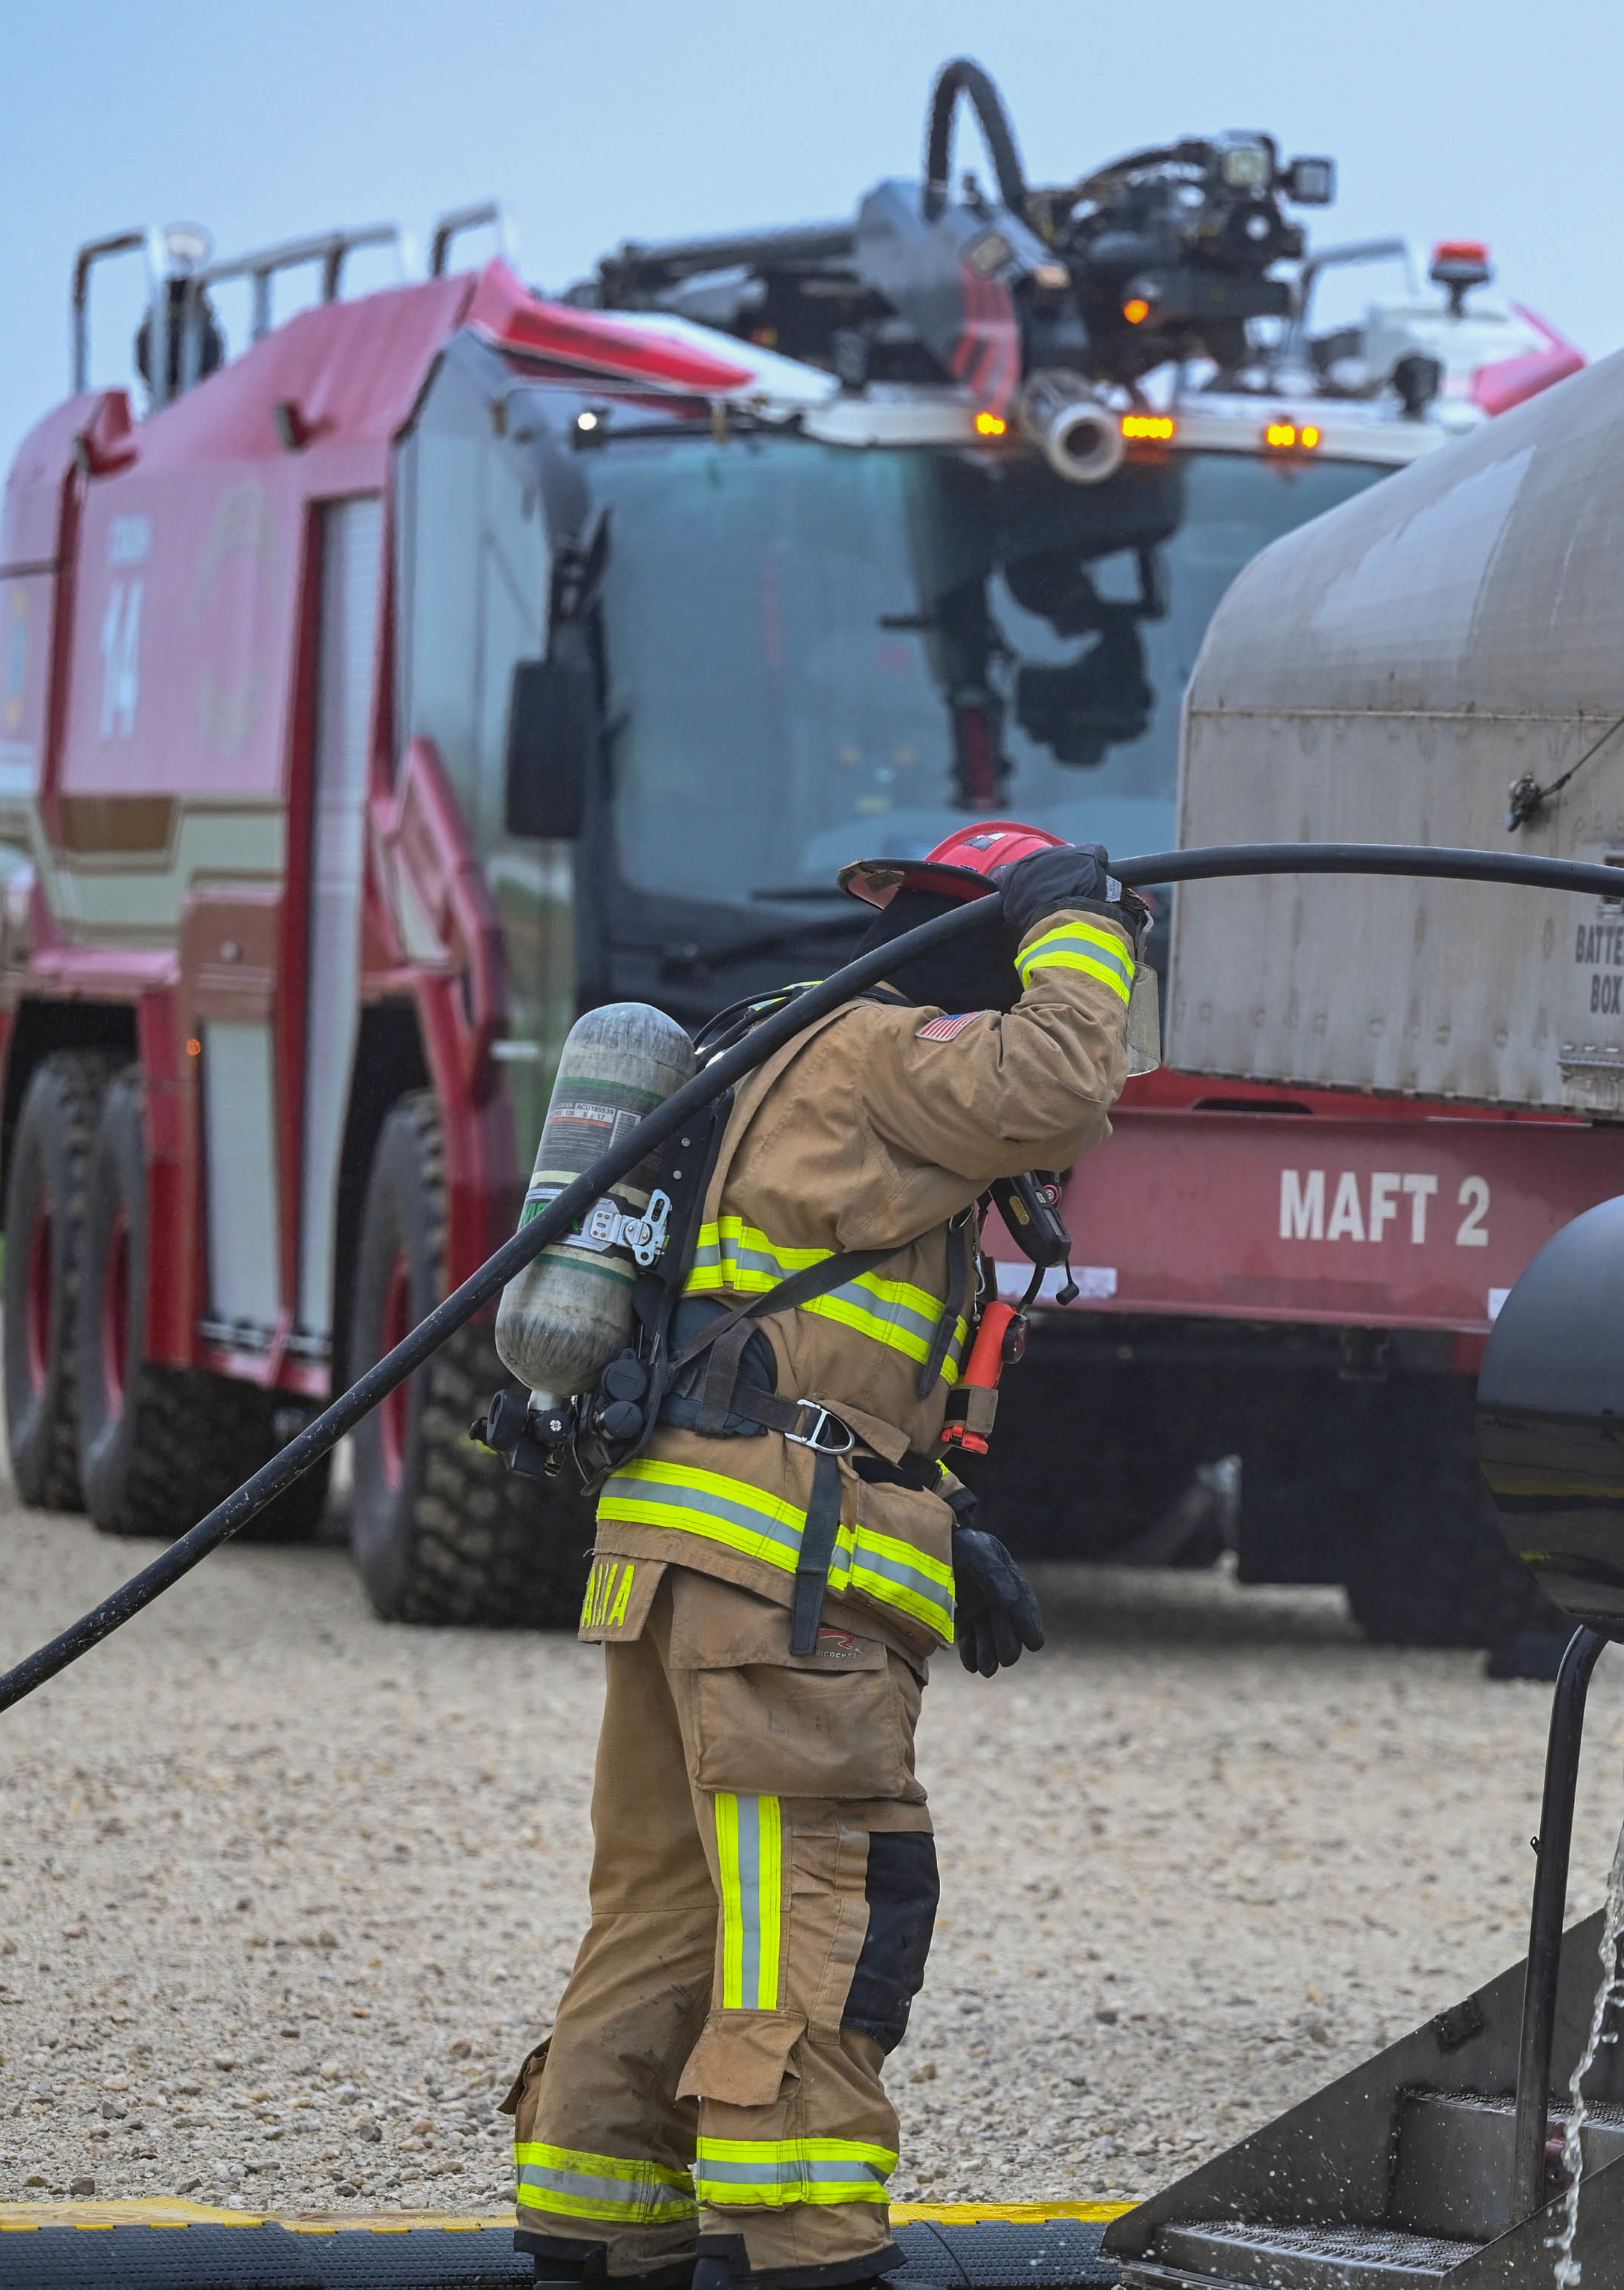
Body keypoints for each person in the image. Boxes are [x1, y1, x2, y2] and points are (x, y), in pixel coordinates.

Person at [507, 823, 1145, 2290]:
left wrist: (941, 1514)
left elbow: (793, 1343)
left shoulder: (771, 1052)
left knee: (667, 1889)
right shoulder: (885, 1054)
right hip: (784, 1564)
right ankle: (801, 2234)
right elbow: (1062, 1078)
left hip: (678, 1545)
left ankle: (595, 2201)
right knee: (823, 1882)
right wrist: (1082, 926)